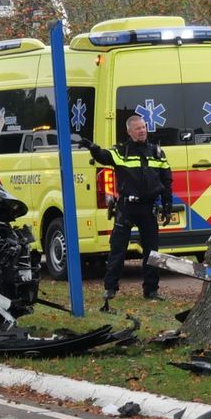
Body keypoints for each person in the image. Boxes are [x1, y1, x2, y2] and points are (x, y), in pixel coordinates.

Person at [79, 115, 173, 300]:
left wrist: (167, 206)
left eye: (144, 127)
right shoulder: (121, 151)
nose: (142, 131)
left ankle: (151, 290)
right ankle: (110, 288)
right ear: (130, 132)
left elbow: (166, 180)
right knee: (117, 250)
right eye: (138, 128)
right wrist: (93, 148)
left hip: (148, 209)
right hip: (127, 207)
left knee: (152, 252)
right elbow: (105, 157)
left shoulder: (157, 152)